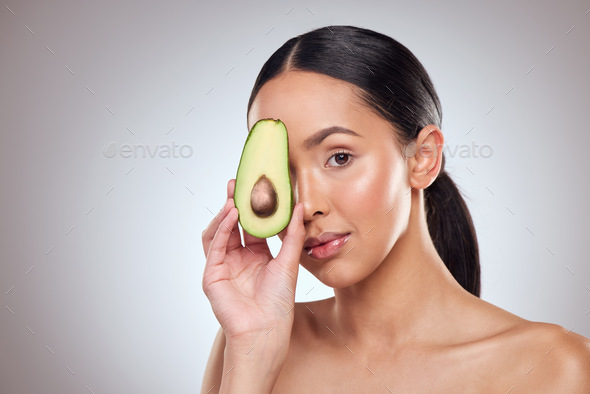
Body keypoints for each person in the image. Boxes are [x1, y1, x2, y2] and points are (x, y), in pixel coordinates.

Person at [200, 25, 590, 393]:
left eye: (339, 157)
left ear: (422, 158)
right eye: (281, 173)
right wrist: (251, 354)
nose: (307, 206)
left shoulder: (554, 367)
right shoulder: (250, 342)